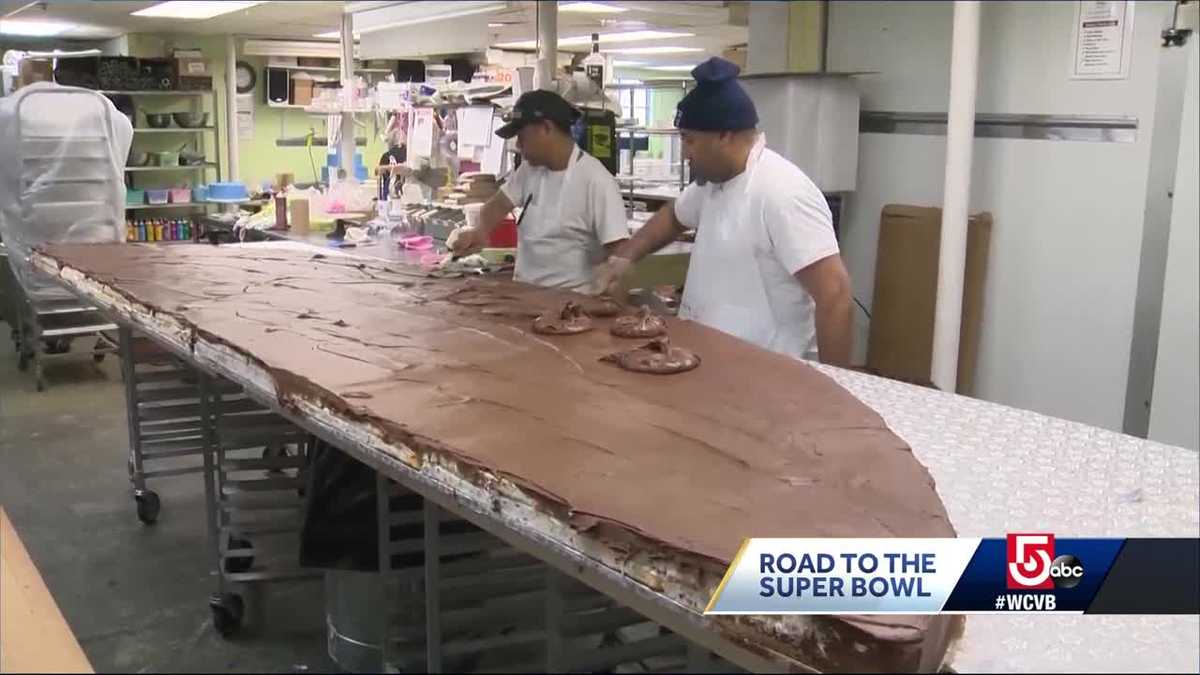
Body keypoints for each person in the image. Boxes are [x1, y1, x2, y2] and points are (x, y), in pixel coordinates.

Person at [594, 57, 853, 366]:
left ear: (725, 136)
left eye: (690, 141)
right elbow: (672, 217)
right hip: (711, 361)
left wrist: (834, 388)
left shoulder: (781, 192)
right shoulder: (712, 184)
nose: (686, 153)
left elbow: (835, 295)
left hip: (768, 374)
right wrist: (625, 257)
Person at [447, 90, 627, 292]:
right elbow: (498, 205)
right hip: (523, 298)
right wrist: (480, 231)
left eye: (522, 136)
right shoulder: (529, 170)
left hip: (570, 307)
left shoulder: (597, 182)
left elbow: (620, 254)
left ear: (546, 128)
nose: (518, 145)